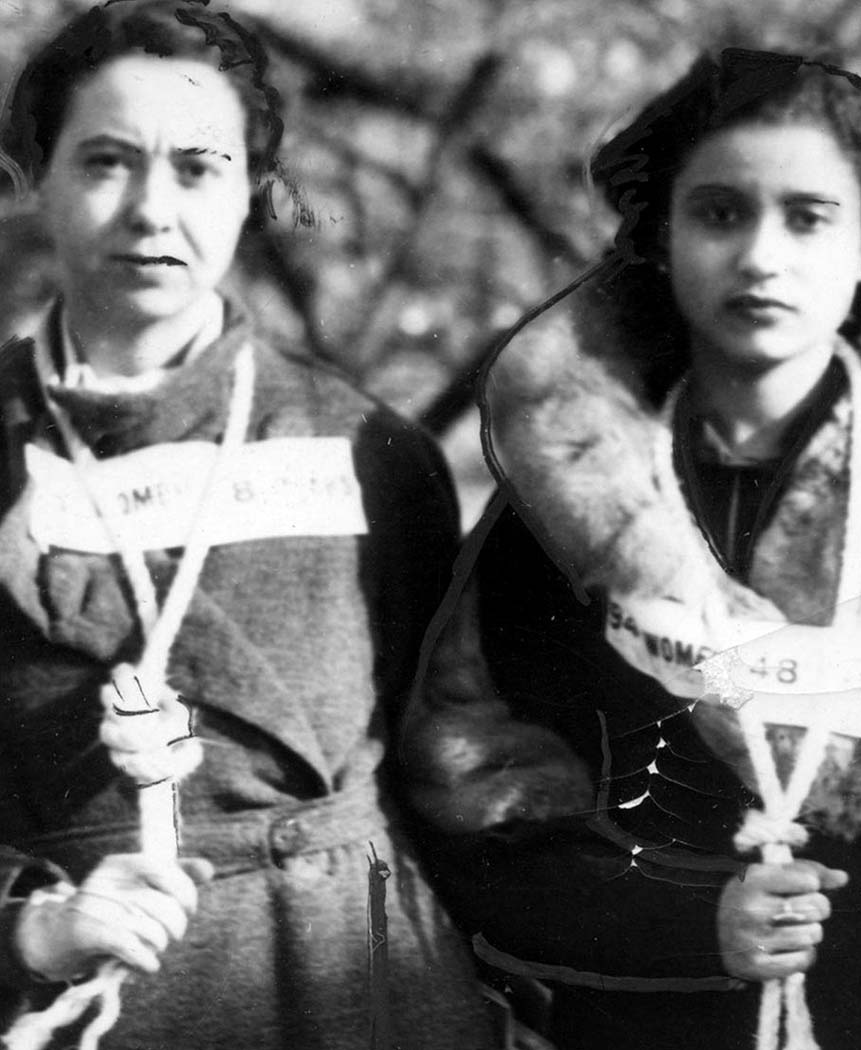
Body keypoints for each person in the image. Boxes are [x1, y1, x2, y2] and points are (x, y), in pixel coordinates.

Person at [400, 47, 861, 1050]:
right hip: (655, 1017)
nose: (762, 256)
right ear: (661, 239)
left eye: (808, 217)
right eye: (720, 213)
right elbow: (476, 800)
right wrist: (684, 917)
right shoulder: (563, 511)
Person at [0, 2, 495, 1046]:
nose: (151, 208)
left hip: (360, 991)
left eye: (198, 166)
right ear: (33, 176)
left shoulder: (372, 452)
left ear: (251, 191)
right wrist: (34, 929)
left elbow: (450, 766)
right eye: (105, 162)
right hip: (101, 998)